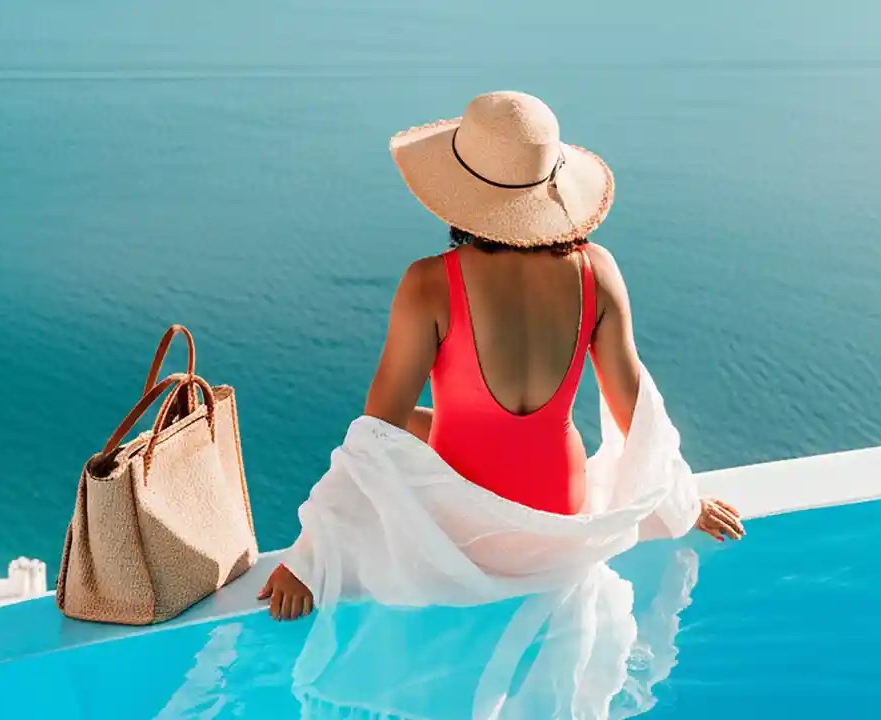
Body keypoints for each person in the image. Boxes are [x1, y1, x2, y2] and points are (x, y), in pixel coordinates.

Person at [261, 91, 743, 621]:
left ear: (460, 190)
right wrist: (685, 500)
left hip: (468, 528)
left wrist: (309, 557)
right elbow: (636, 412)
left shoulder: (429, 285)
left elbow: (377, 434)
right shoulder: (597, 272)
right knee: (442, 424)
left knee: (413, 432)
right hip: (560, 508)